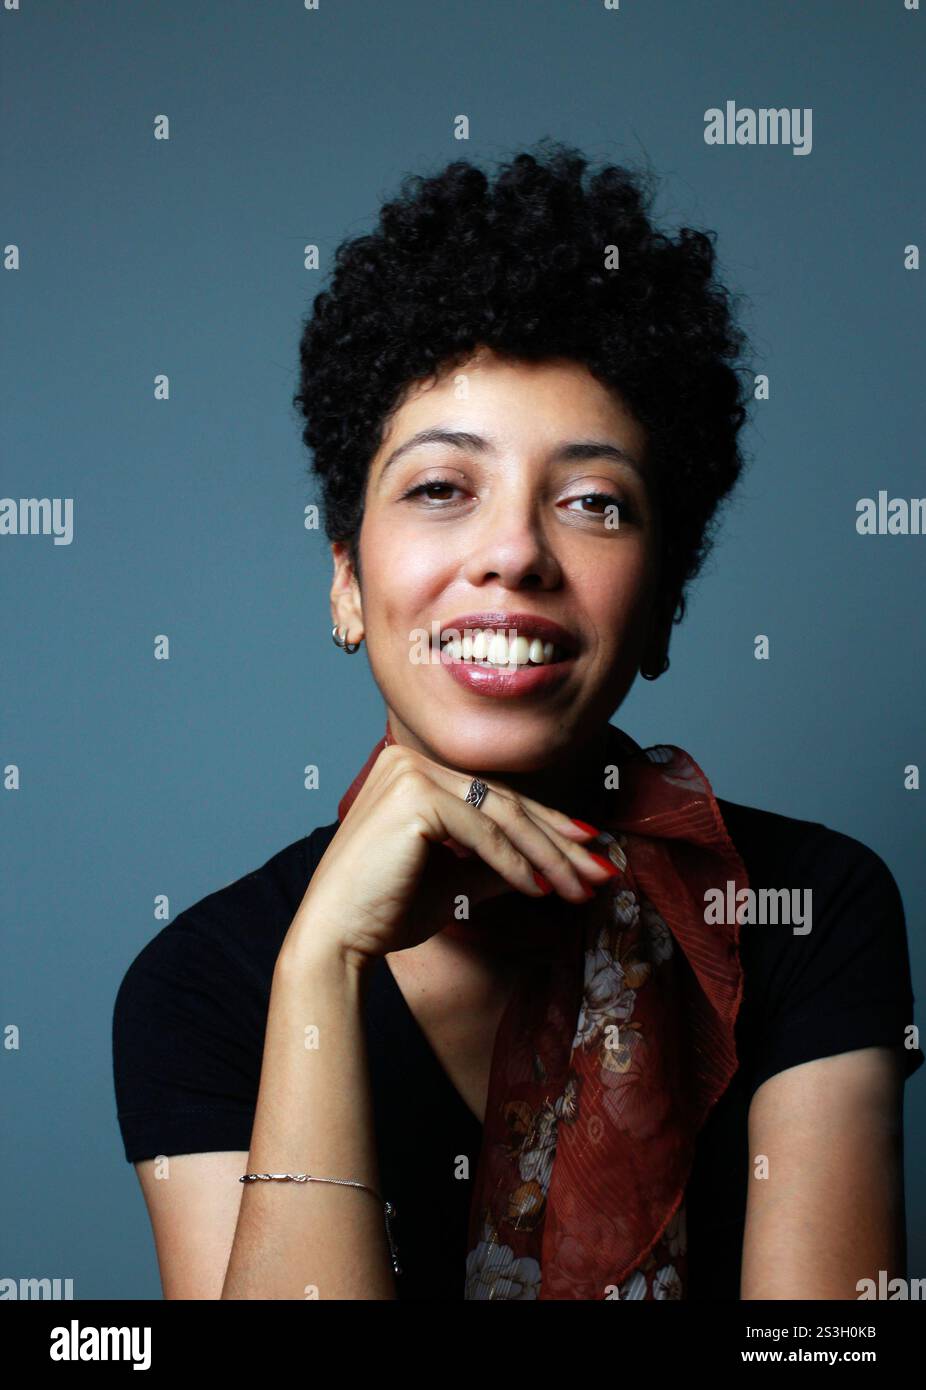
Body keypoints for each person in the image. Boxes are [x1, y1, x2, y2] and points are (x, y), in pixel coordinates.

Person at [112, 141, 923, 1301]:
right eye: (442, 487)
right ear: (346, 580)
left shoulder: (806, 908)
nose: (512, 553)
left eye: (592, 502)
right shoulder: (205, 984)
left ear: (659, 606)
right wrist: (321, 970)